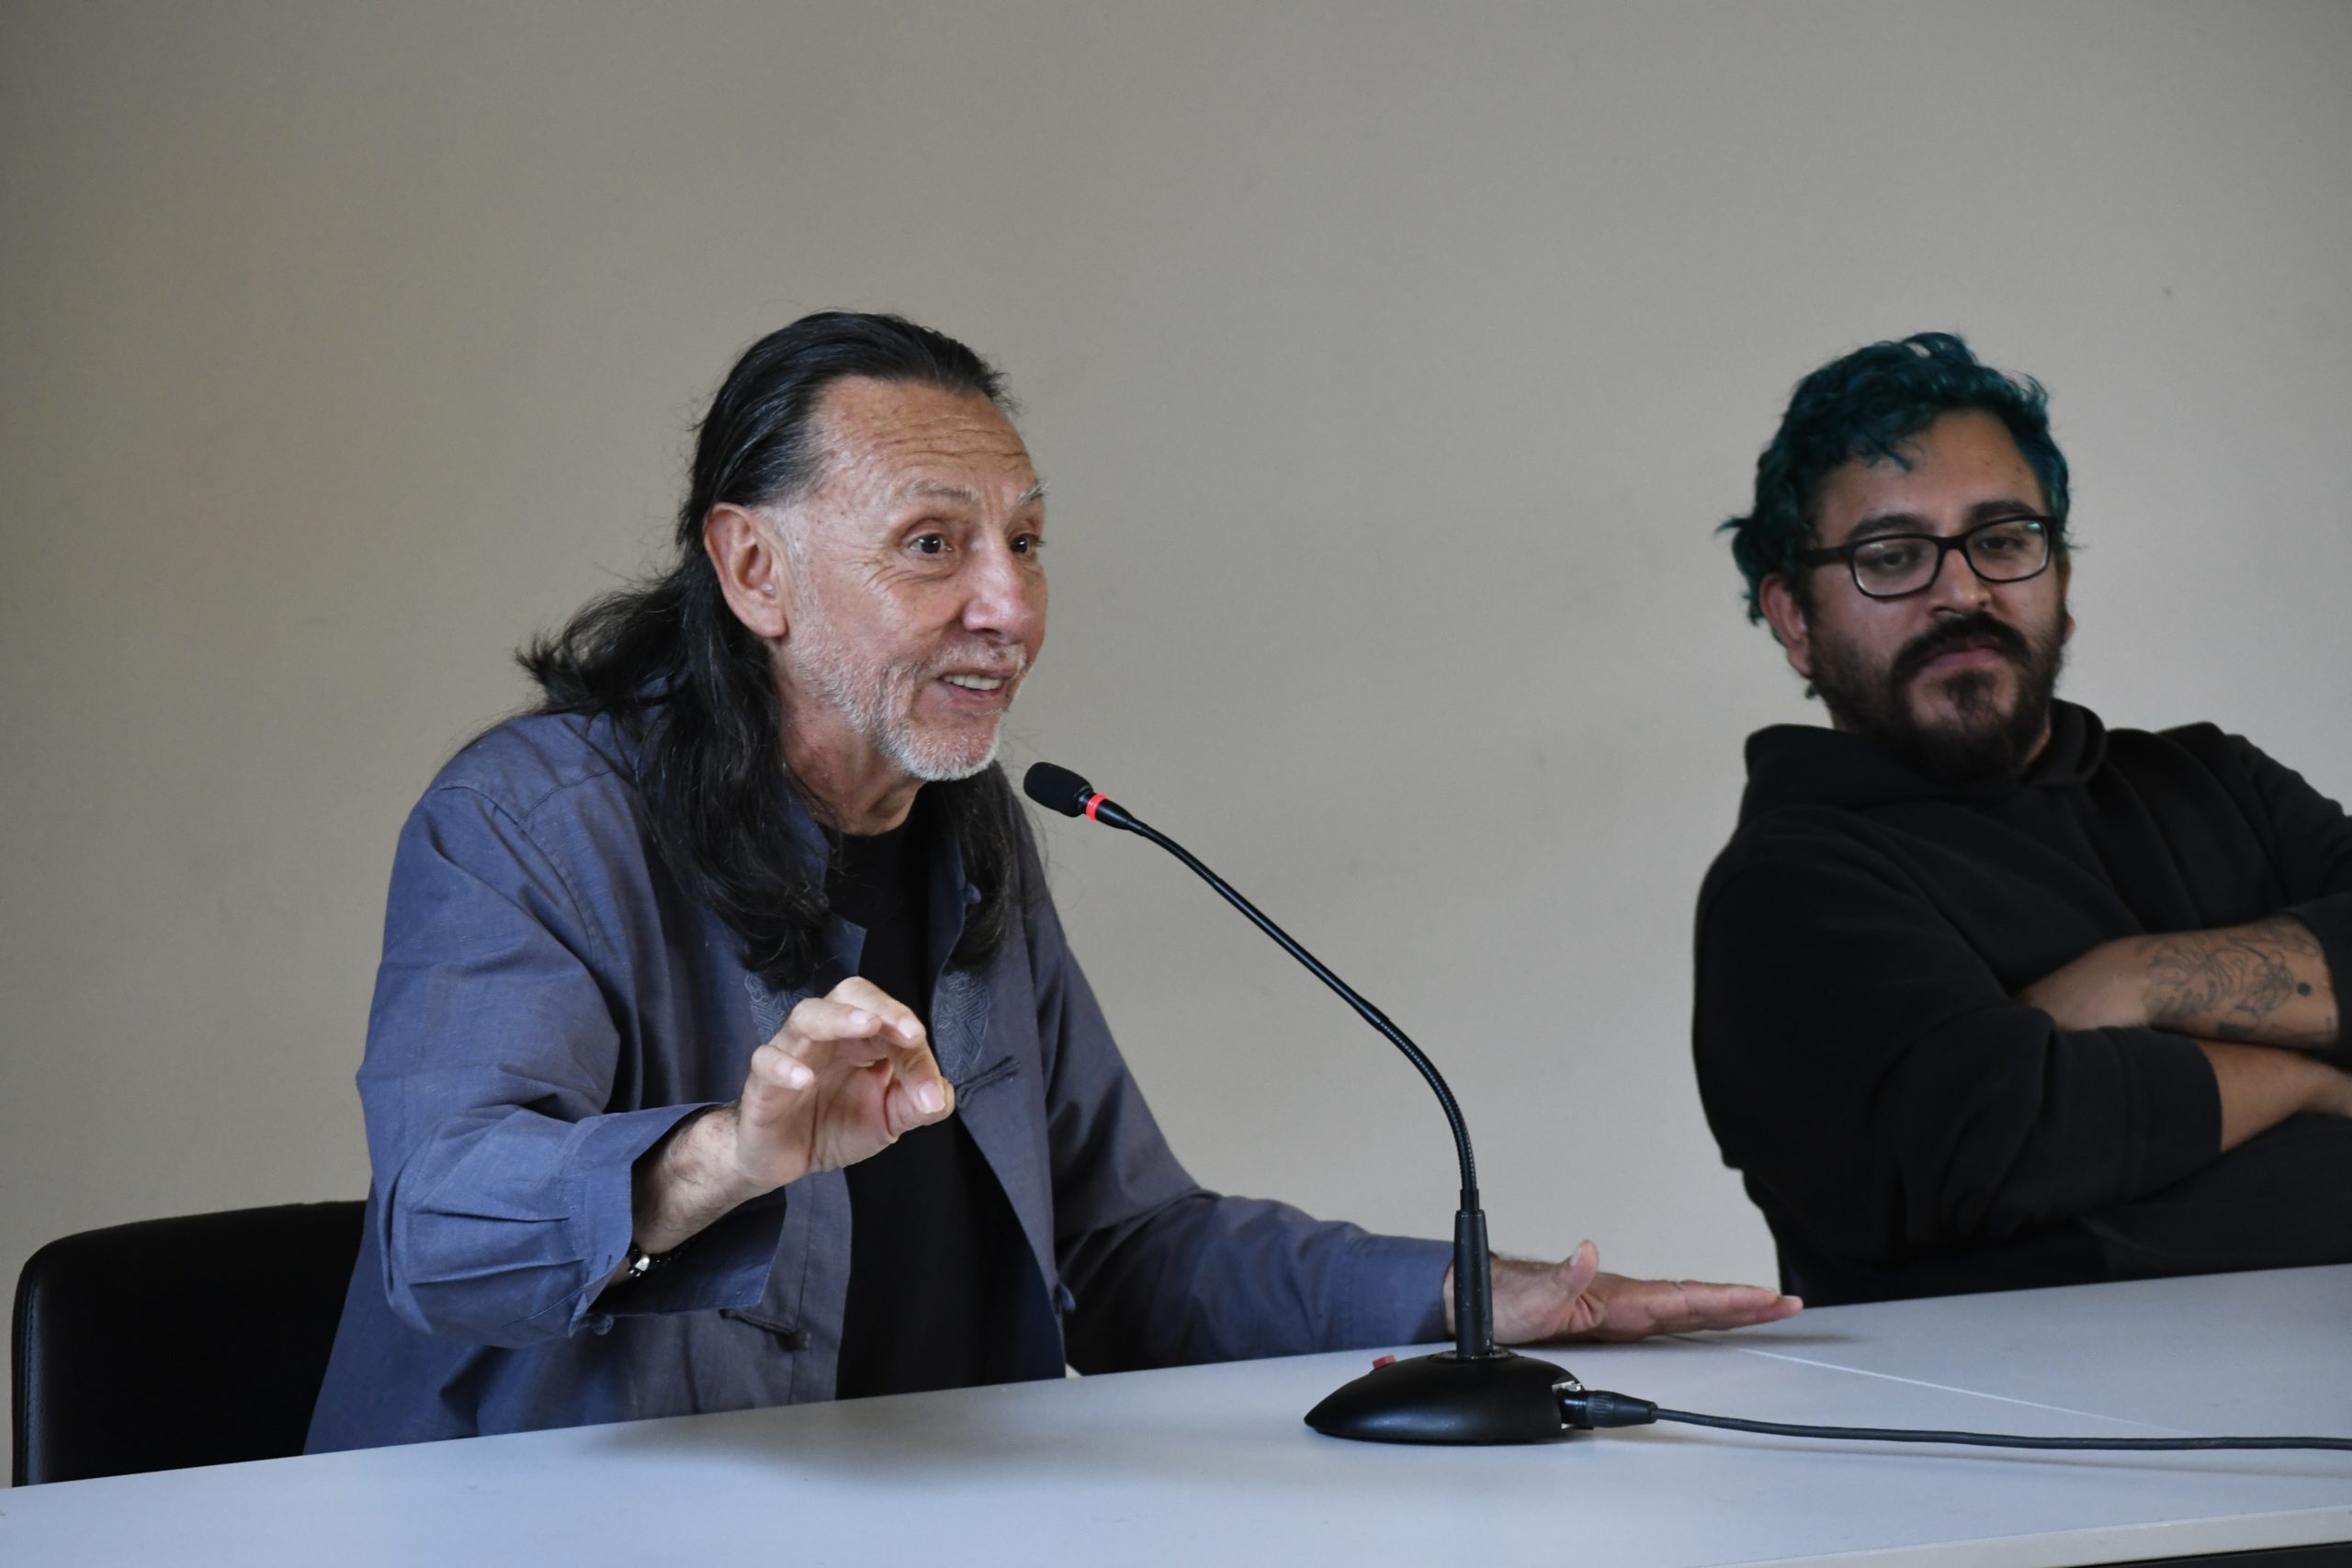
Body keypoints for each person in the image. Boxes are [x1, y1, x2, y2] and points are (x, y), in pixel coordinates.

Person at [310, 311, 1796, 1451]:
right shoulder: (526, 821)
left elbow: (1126, 1248)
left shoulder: (970, 830)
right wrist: (730, 1154)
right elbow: (440, 1231)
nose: (1010, 605)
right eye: (933, 543)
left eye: (1025, 540)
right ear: (753, 569)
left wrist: (1481, 1303)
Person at [1695, 332, 2352, 1306]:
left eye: (2002, 541)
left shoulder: (2217, 782)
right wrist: (2313, 1083)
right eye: (1892, 555)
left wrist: (2128, 981)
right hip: (2040, 1444)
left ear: (2061, 584)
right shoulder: (1787, 886)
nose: (1961, 592)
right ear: (1795, 618)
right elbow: (2001, 1144)